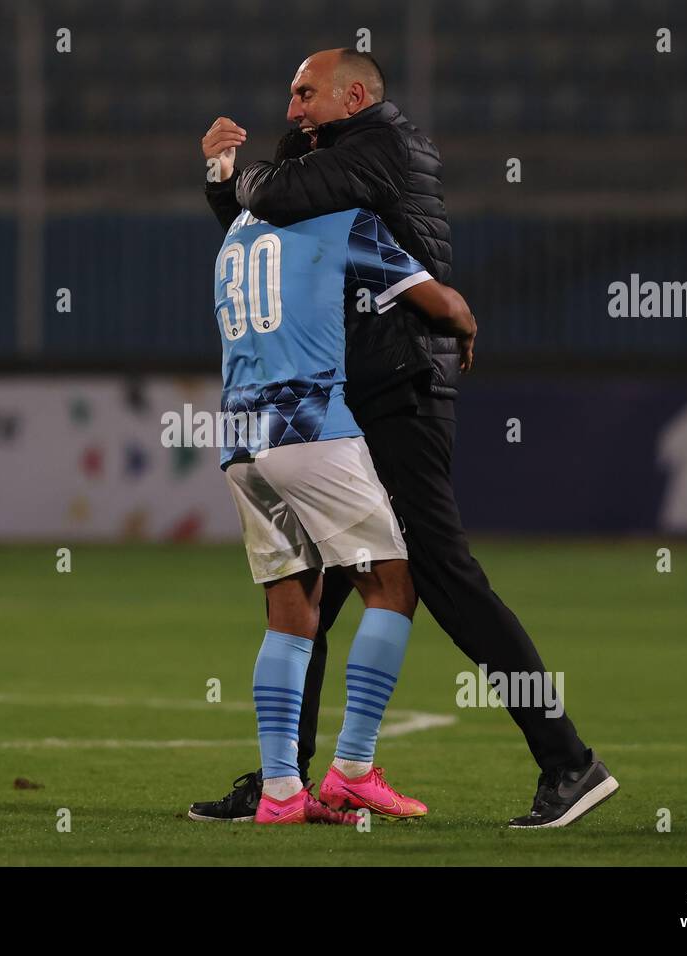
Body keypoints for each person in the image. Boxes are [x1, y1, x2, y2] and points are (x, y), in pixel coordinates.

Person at [192, 48, 618, 829]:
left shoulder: (383, 145)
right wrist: (227, 181)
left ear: (355, 94)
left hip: (399, 388)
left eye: (306, 94)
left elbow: (280, 199)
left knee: (441, 575)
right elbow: (268, 228)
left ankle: (568, 761)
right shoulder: (335, 162)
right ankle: (288, 779)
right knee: (313, 591)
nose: (293, 111)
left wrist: (233, 168)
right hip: (352, 393)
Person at [211, 194, 476, 823]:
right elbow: (440, 300)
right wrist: (463, 322)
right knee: (392, 583)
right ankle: (354, 769)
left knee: (290, 610)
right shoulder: (335, 218)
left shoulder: (236, 235)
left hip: (241, 439)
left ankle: (279, 793)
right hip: (310, 427)